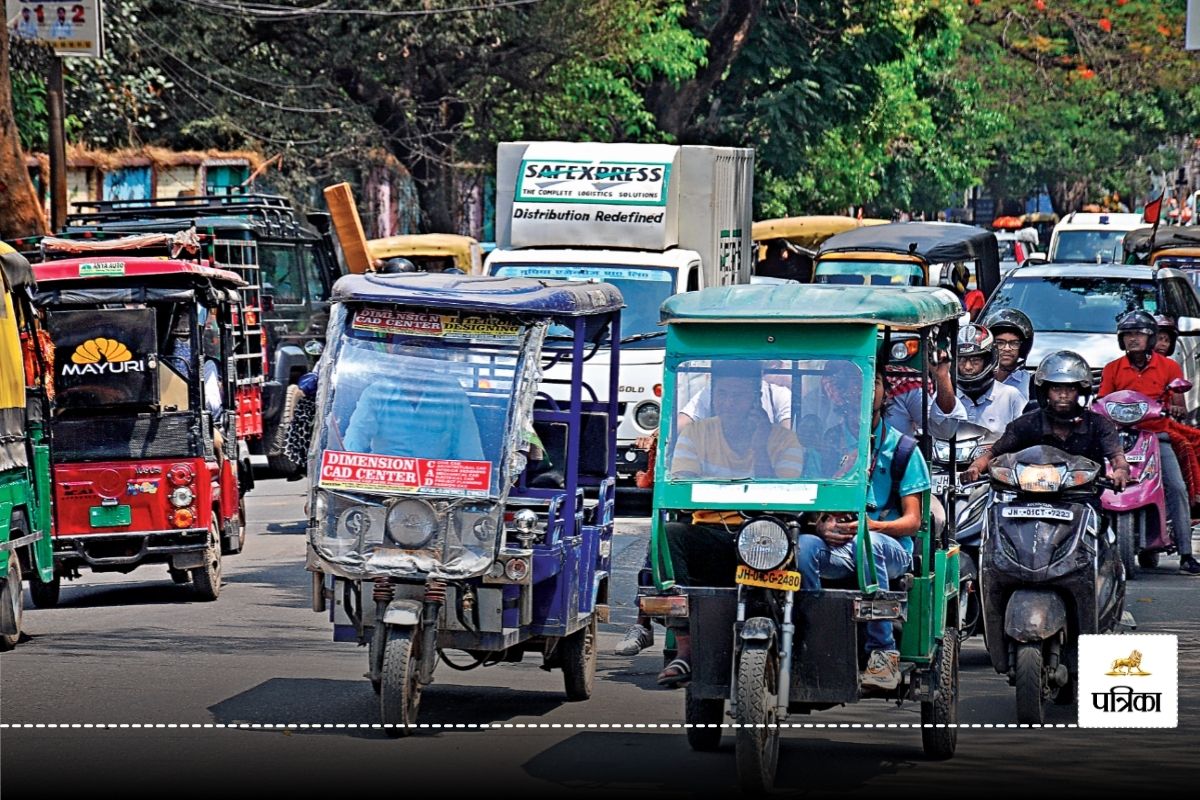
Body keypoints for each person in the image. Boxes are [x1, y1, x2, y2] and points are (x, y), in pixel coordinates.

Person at [655, 361, 806, 686]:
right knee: (668, 534)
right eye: (722, 395)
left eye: (737, 396)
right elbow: (682, 487)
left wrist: (760, 446)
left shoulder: (783, 439)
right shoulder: (696, 433)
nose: (728, 403)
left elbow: (787, 496)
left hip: (769, 538)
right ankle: (686, 648)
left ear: (755, 399)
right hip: (712, 534)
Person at [793, 361, 931, 691]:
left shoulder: (903, 449)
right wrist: (820, 525)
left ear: (885, 392)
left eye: (873, 381)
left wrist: (872, 526)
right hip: (838, 546)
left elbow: (913, 521)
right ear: (837, 393)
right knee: (802, 547)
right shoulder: (827, 444)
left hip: (888, 548)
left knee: (868, 543)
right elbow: (810, 505)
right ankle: (817, 641)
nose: (861, 389)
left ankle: (883, 653)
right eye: (849, 382)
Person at [1098, 311, 1200, 575]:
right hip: (1119, 438)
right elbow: (1102, 403)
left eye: (1139, 334)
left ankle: (1186, 554)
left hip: (1156, 436)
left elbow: (1179, 405)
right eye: (1128, 335)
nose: (1133, 339)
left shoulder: (1169, 367)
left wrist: (1174, 409)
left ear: (1150, 338)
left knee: (1176, 487)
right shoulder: (1112, 368)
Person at [961, 351, 1130, 495]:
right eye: (1056, 388)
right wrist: (975, 468)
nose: (1063, 395)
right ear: (1045, 392)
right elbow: (993, 453)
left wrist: (1120, 472)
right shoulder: (1026, 424)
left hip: (1081, 499)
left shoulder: (1098, 424)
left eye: (1070, 388)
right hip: (1029, 499)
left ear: (1080, 391)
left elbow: (1117, 457)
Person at [342, 356, 485, 461]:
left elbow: (468, 445)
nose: (412, 374)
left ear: (430, 368)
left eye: (419, 367)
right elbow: (356, 436)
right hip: (385, 478)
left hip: (437, 481)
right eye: (406, 366)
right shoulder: (377, 392)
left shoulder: (449, 392)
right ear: (396, 368)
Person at [955, 323, 1025, 437]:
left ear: (988, 361)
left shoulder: (1010, 396)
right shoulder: (945, 395)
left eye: (975, 360)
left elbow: (1025, 437)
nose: (968, 367)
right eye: (962, 360)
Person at [980, 307, 1035, 402]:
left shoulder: (1030, 383)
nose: (1007, 348)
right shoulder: (976, 381)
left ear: (1023, 347)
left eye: (1014, 343)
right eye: (1000, 343)